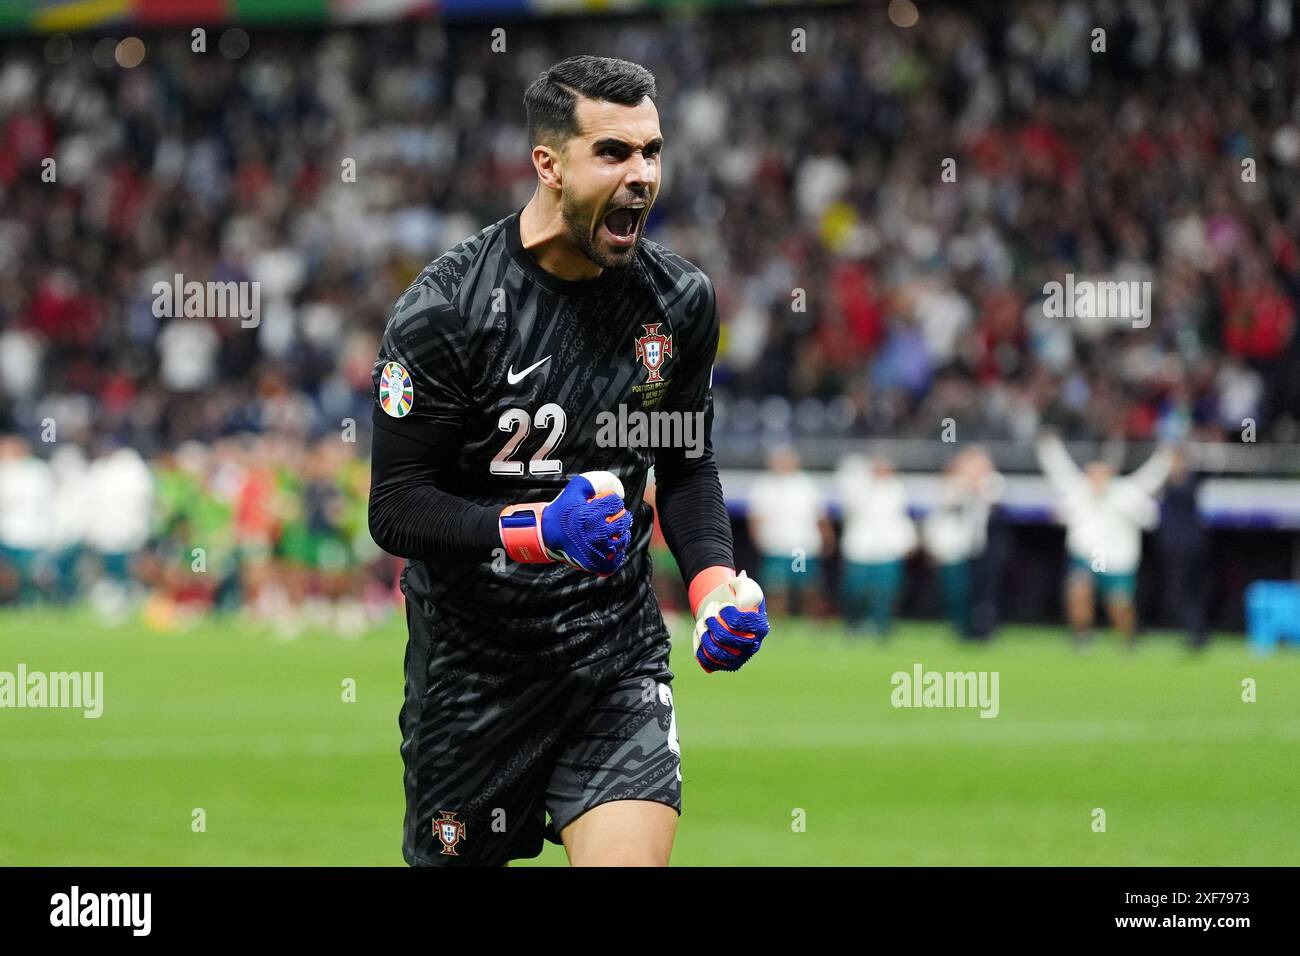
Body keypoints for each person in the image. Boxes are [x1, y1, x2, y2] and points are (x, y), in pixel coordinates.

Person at [366, 56, 771, 868]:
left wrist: (712, 585)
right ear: (548, 164)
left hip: (614, 662)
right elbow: (398, 506)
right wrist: (535, 531)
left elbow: (684, 468)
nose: (642, 176)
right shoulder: (445, 312)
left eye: (652, 152)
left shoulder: (678, 302)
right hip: (473, 678)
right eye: (614, 153)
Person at [1034, 429, 1171, 647]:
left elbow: (1151, 489)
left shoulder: (1127, 493)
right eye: (1092, 474)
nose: (1096, 479)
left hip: (1117, 559)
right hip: (1087, 555)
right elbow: (1059, 471)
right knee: (1078, 591)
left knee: (1118, 604)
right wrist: (1047, 445)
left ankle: (1129, 637)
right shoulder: (1079, 491)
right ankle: (1082, 636)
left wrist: (1166, 455)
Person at [921, 447, 1006, 639]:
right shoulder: (955, 484)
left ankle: (984, 630)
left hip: (988, 546)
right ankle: (965, 629)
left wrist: (973, 479)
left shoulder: (994, 481)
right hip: (967, 548)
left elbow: (990, 498)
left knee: (986, 591)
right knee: (963, 591)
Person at [835, 453, 916, 636]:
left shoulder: (896, 489)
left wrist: (907, 541)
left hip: (887, 550)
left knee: (885, 593)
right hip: (860, 550)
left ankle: (882, 628)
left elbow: (899, 517)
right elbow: (848, 497)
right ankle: (854, 626)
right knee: (856, 591)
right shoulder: (858, 486)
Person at [748, 444, 832, 616]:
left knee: (806, 587)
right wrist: (759, 540)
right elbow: (755, 518)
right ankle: (776, 624)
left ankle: (808, 623)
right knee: (776, 588)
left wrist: (826, 538)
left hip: (800, 548)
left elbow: (819, 516)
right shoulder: (765, 486)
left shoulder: (806, 485)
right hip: (776, 548)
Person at [1157, 446, 1210, 649]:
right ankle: (1197, 633)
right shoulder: (1170, 484)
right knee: (1183, 594)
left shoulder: (1189, 484)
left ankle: (1198, 634)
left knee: (1181, 594)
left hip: (1188, 548)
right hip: (1179, 548)